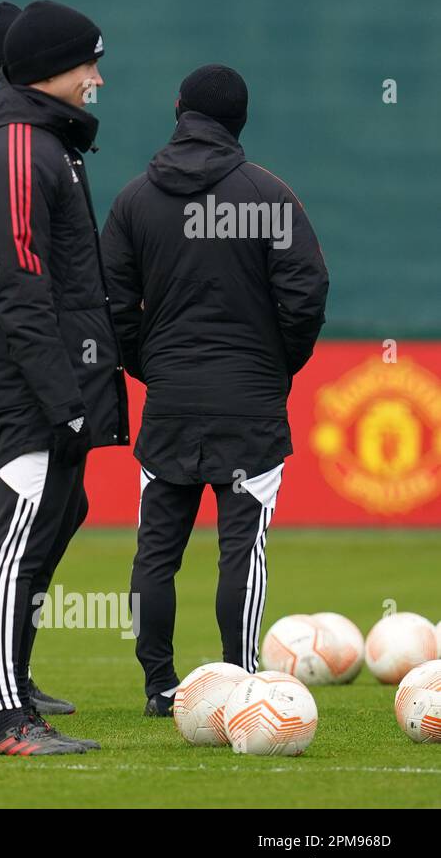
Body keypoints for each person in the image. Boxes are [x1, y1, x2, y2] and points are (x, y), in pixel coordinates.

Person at [100, 64, 328, 715]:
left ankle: (158, 687)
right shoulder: (270, 196)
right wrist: (274, 364)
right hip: (249, 402)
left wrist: (154, 365)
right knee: (241, 551)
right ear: (240, 122)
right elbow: (306, 294)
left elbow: (108, 303)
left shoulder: (134, 199)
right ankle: (241, 679)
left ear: (179, 110)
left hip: (170, 400)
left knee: (157, 550)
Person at [0, 0, 128, 756]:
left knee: (27, 535)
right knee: (10, 541)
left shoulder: (41, 142)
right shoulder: (18, 146)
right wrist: (63, 398)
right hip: (24, 387)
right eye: (88, 62)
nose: (97, 77)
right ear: (52, 69)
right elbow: (19, 286)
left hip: (41, 381)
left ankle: (14, 699)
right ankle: (3, 718)